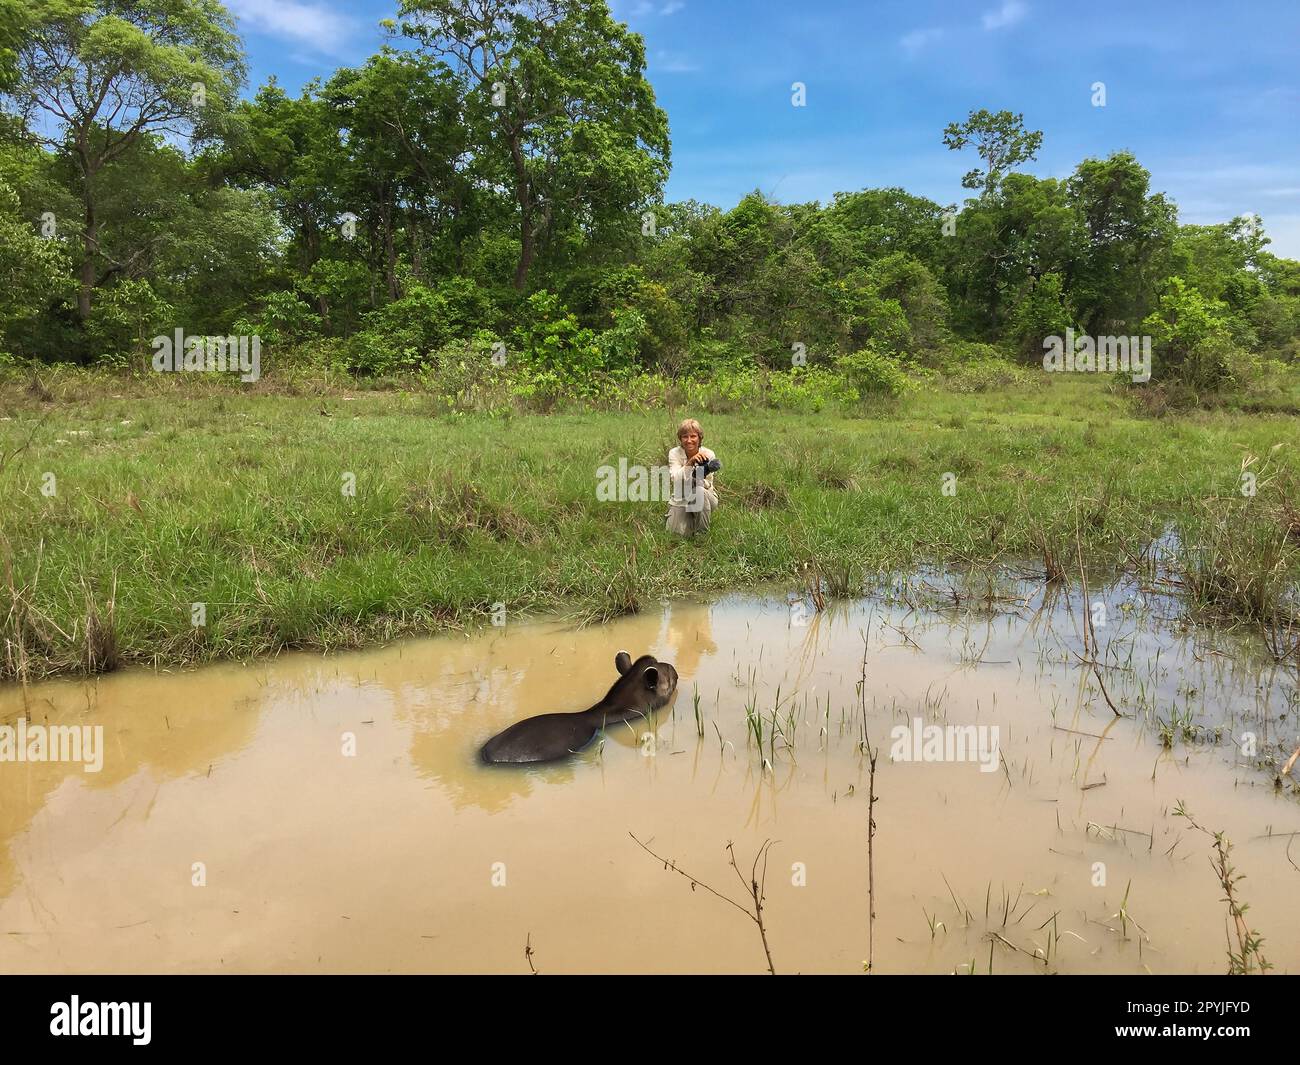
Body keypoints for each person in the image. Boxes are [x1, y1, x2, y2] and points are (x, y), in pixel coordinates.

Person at [666, 418, 720, 536]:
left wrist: (697, 480)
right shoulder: (674, 453)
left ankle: (702, 534)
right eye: (685, 436)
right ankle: (691, 520)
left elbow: (708, 484)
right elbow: (675, 480)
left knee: (699, 491)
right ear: (680, 439)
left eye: (693, 436)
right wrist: (690, 463)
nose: (689, 440)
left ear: (699, 438)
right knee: (674, 532)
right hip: (681, 497)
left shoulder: (708, 454)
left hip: (706, 495)